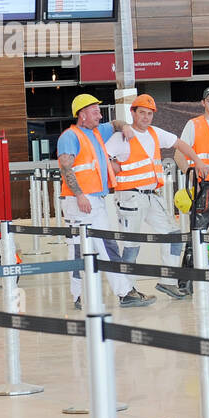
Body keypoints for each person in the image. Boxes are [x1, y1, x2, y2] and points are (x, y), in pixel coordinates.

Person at [56, 93, 155, 310]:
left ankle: (84, 295)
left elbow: (115, 123)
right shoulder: (70, 136)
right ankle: (123, 292)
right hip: (81, 201)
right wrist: (80, 195)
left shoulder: (97, 132)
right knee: (98, 246)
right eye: (94, 112)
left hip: (91, 200)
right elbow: (66, 167)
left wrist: (125, 127)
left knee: (86, 247)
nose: (99, 116)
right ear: (81, 115)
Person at [105, 94, 204, 300]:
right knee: (131, 244)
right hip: (130, 198)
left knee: (174, 235)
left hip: (152, 196)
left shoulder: (154, 133)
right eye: (142, 112)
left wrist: (197, 161)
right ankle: (128, 292)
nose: (146, 117)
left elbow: (179, 143)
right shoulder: (121, 137)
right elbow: (101, 157)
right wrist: (112, 166)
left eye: (150, 114)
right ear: (133, 113)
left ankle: (168, 282)